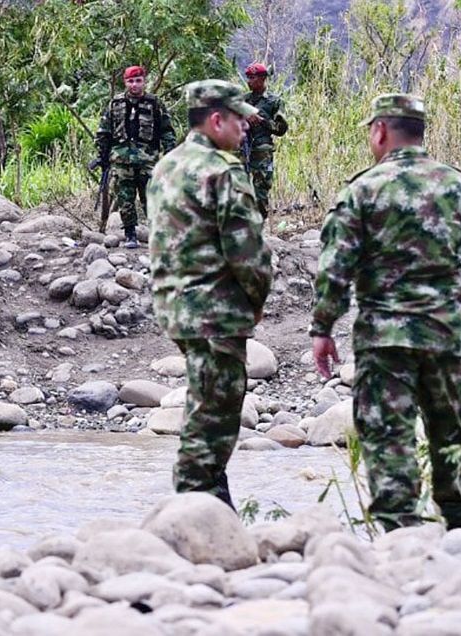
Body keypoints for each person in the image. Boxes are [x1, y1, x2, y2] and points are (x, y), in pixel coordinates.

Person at [311, 94, 461, 531]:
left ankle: (400, 531)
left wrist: (322, 327)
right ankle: (460, 526)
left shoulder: (363, 190)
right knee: (450, 434)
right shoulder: (460, 187)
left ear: (380, 131)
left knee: (388, 435)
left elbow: (335, 266)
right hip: (443, 336)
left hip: (384, 340)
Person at [147, 80, 272, 509]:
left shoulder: (166, 166)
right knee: (215, 420)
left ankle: (214, 510)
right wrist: (254, 304)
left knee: (205, 407)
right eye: (238, 119)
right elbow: (248, 254)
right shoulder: (223, 169)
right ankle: (194, 512)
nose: (245, 128)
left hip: (177, 308)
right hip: (217, 311)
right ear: (216, 120)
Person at [97, 65, 177, 249]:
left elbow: (166, 131)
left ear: (144, 81)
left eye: (138, 81)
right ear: (125, 82)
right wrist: (102, 156)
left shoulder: (154, 103)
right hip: (121, 161)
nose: (134, 85)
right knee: (125, 199)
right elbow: (103, 132)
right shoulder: (115, 104)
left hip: (148, 160)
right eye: (130, 81)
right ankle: (130, 235)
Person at [242, 62, 288, 217]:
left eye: (252, 78)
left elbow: (281, 129)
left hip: (262, 152)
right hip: (241, 149)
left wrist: (261, 120)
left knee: (260, 191)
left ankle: (258, 227)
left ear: (262, 79)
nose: (249, 81)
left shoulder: (274, 101)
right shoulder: (243, 100)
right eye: (248, 78)